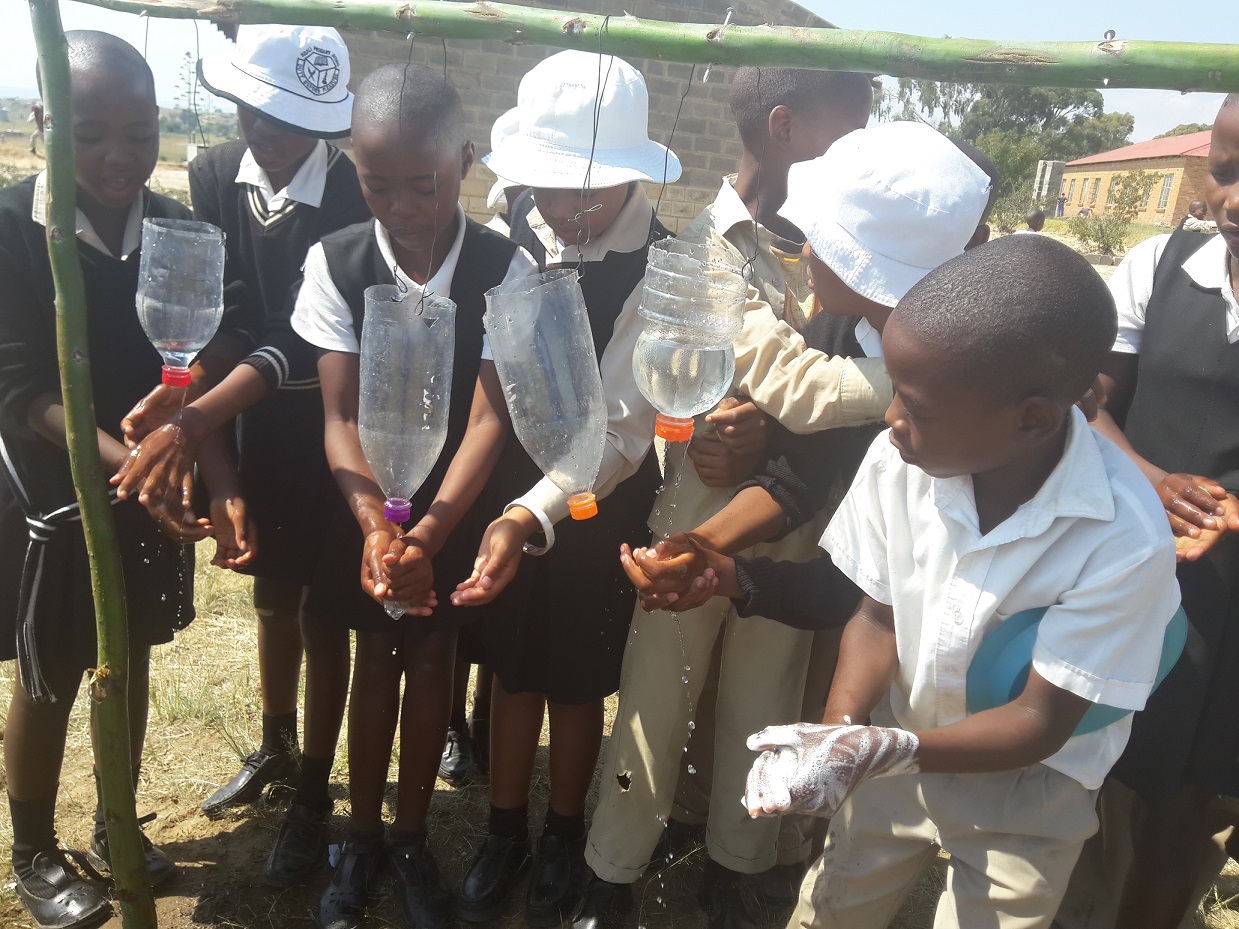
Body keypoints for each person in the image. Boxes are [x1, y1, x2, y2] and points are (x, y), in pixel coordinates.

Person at [743, 234, 1180, 929]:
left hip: (1033, 783)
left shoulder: (1122, 536)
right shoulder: (903, 461)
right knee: (834, 906)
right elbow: (878, 616)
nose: (890, 421)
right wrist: (840, 735)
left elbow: (1039, 722)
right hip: (896, 736)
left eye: (915, 406)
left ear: (1030, 417)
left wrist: (888, 751)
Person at [620, 123, 996, 905]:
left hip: (962, 614)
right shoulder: (835, 327)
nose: (803, 258)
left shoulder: (984, 367)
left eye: (818, 245)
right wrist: (699, 547)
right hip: (864, 597)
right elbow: (798, 477)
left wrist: (720, 559)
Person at [543, 66, 879, 929]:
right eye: (850, 130)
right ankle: (610, 871)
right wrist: (932, 383)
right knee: (656, 695)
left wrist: (771, 431)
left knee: (762, 703)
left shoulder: (846, 244)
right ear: (783, 127)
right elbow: (751, 387)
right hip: (694, 516)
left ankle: (735, 865)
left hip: (794, 521)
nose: (863, 150)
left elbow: (800, 410)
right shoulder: (699, 249)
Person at [398, 49, 677, 926]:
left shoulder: (660, 270)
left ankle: (563, 829)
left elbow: (626, 429)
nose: (560, 208)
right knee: (514, 665)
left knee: (574, 674)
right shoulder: (524, 223)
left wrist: (529, 517)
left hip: (593, 502)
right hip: (510, 484)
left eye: (581, 192)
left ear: (630, 178)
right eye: (545, 188)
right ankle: (504, 826)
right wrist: (506, 510)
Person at [110, 24, 372, 885]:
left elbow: (305, 337)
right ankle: (275, 740)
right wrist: (191, 403)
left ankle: (313, 788)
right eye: (259, 112)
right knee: (270, 590)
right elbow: (224, 313)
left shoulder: (353, 196)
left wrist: (188, 418)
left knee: (325, 604)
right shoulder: (217, 172)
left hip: (332, 417)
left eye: (296, 120)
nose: (272, 134)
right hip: (246, 417)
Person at [289, 61, 536, 929]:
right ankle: (357, 833)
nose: (398, 206)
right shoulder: (337, 260)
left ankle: (411, 832)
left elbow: (486, 421)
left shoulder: (508, 267)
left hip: (456, 501)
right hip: (364, 500)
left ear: (464, 160)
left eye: (421, 185)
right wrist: (374, 527)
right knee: (371, 661)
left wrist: (428, 535)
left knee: (430, 656)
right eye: (374, 182)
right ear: (352, 168)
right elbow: (337, 415)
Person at [0, 31, 197, 929]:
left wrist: (171, 452)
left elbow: (202, 346)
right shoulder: (13, 229)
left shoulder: (174, 231)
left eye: (140, 130)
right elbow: (20, 390)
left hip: (146, 483)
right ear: (44, 122)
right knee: (53, 669)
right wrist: (134, 465)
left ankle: (117, 819)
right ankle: (34, 850)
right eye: (91, 133)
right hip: (54, 490)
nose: (120, 155)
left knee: (131, 651)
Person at [1055, 93, 1239, 929]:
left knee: (1187, 808)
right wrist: (1151, 478)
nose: (1228, 199)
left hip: (1230, 600)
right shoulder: (1162, 266)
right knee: (1092, 770)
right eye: (1223, 170)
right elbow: (1089, 403)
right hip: (1136, 569)